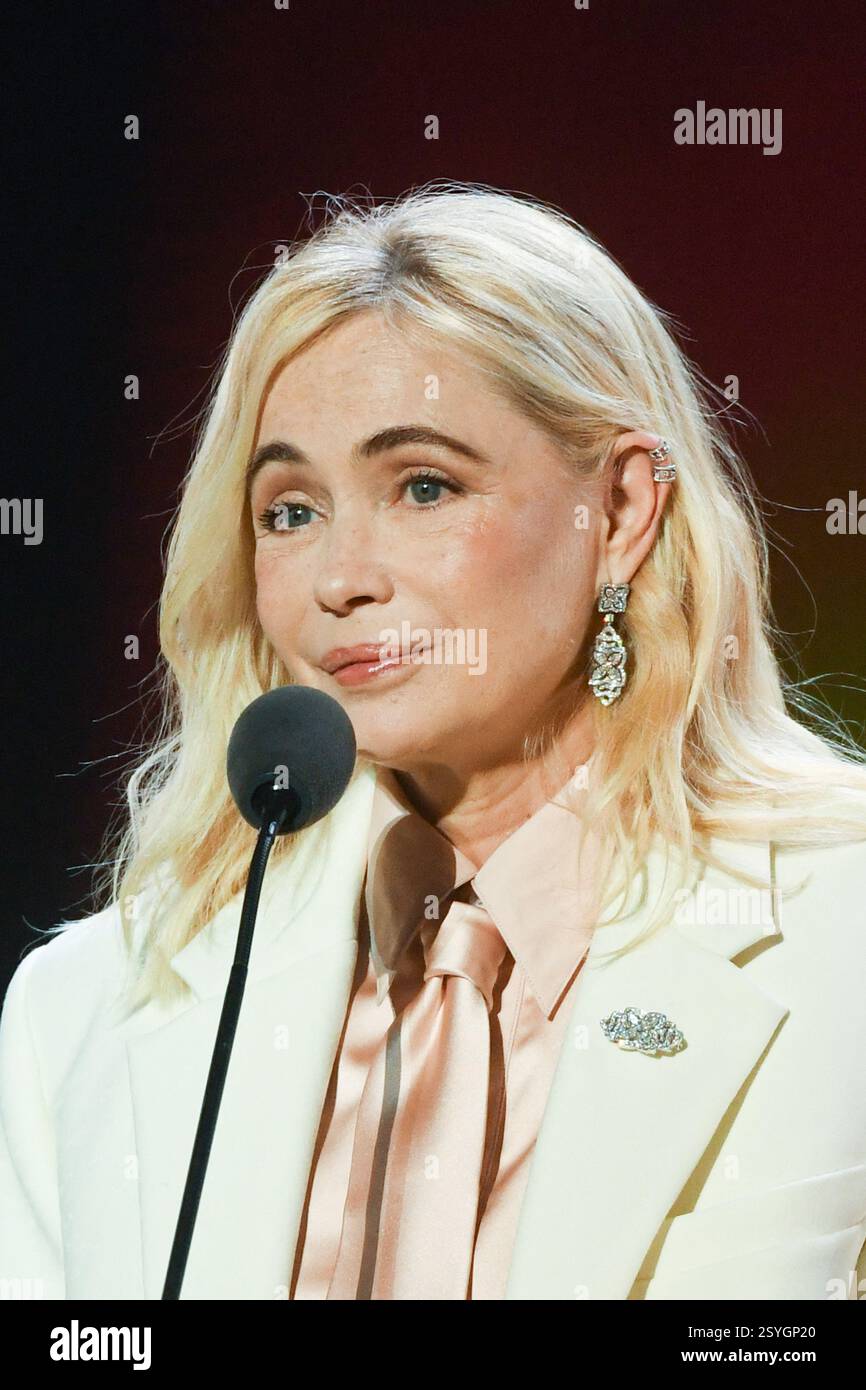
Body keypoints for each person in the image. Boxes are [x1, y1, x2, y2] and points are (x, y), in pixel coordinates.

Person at [2, 182, 866, 1301]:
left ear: (617, 512)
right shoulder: (87, 1007)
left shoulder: (840, 932)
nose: (338, 579)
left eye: (422, 485)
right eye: (289, 510)